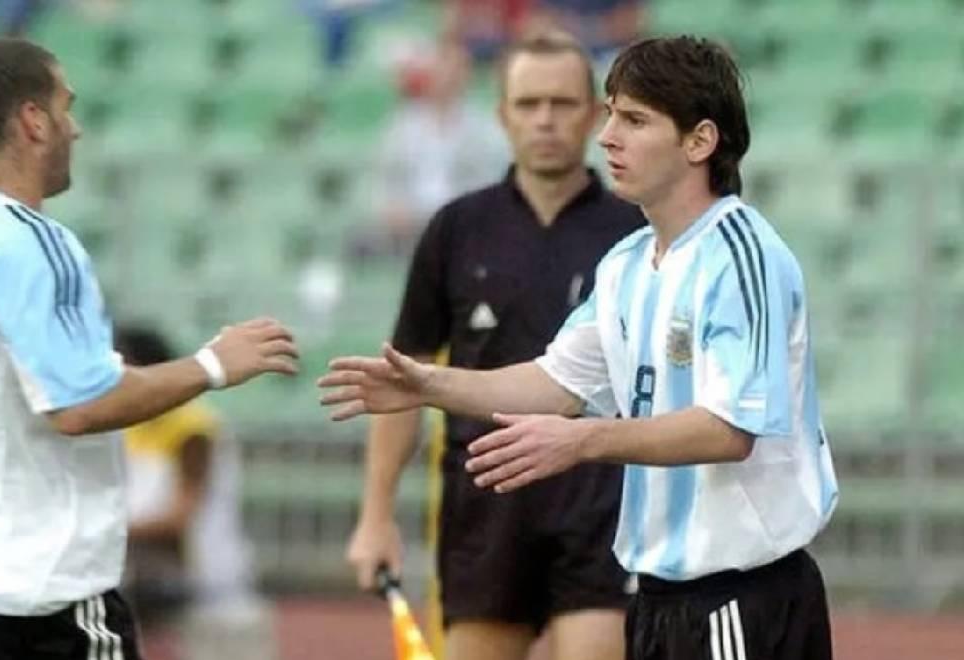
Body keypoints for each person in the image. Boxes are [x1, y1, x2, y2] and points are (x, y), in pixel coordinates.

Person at [322, 35, 839, 660]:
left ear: (700, 141)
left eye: (634, 119)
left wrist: (582, 441)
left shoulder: (740, 254)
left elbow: (730, 430)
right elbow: (555, 382)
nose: (607, 135)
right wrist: (430, 384)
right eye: (613, 112)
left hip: (735, 597)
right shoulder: (627, 262)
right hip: (658, 600)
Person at [0, 38, 298, 660]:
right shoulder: (30, 239)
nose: (76, 128)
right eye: (67, 106)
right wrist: (213, 364)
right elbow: (78, 404)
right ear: (34, 119)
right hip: (27, 598)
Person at [347, 30, 643, 660]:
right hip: (484, 506)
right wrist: (376, 516)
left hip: (603, 505)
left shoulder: (636, 232)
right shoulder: (457, 229)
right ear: (502, 114)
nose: (545, 120)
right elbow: (407, 380)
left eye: (563, 105)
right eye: (529, 103)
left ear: (594, 117)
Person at [115, 325, 270, 654]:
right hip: (154, 584)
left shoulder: (191, 426)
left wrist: (108, 531)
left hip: (210, 586)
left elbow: (180, 516)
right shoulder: (131, 426)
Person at [359, 38, 508, 260]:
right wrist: (392, 206)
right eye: (441, 70)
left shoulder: (486, 129)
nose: (447, 78)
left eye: (454, 71)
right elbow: (387, 177)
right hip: (409, 223)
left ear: (465, 76)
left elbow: (491, 184)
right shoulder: (404, 126)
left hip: (459, 224)